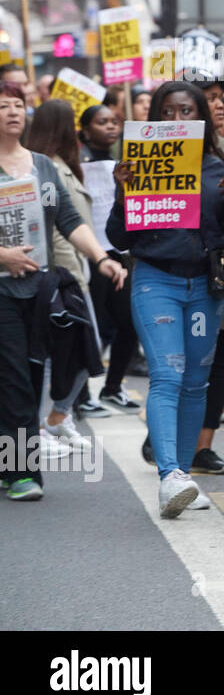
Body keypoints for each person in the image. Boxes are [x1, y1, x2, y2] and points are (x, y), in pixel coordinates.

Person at [107, 81, 224, 516]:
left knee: (196, 381)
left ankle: (182, 477)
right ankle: (169, 476)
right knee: (167, 375)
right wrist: (123, 191)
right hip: (155, 282)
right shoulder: (137, 167)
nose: (178, 121)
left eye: (186, 112)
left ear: (200, 118)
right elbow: (118, 237)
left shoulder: (219, 171)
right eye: (169, 112)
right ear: (155, 119)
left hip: (204, 287)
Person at [0, 78, 127, 501]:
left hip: (38, 292)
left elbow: (69, 220)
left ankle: (8, 463)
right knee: (16, 380)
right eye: (3, 106)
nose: (13, 112)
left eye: (18, 105)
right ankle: (23, 474)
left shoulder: (42, 166)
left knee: (32, 379)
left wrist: (102, 259)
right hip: (1, 292)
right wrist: (4, 257)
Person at [23, 99, 96, 450]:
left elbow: (74, 220)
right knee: (60, 352)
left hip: (73, 273)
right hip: (58, 275)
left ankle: (55, 417)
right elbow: (56, 228)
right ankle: (43, 423)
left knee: (79, 351)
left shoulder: (58, 167)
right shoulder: (45, 168)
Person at [78, 103, 139, 414]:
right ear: (86, 130)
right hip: (89, 253)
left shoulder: (125, 161)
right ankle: (78, 394)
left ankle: (112, 387)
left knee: (129, 323)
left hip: (118, 253)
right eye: (102, 122)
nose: (111, 127)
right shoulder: (74, 162)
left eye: (114, 121)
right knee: (90, 329)